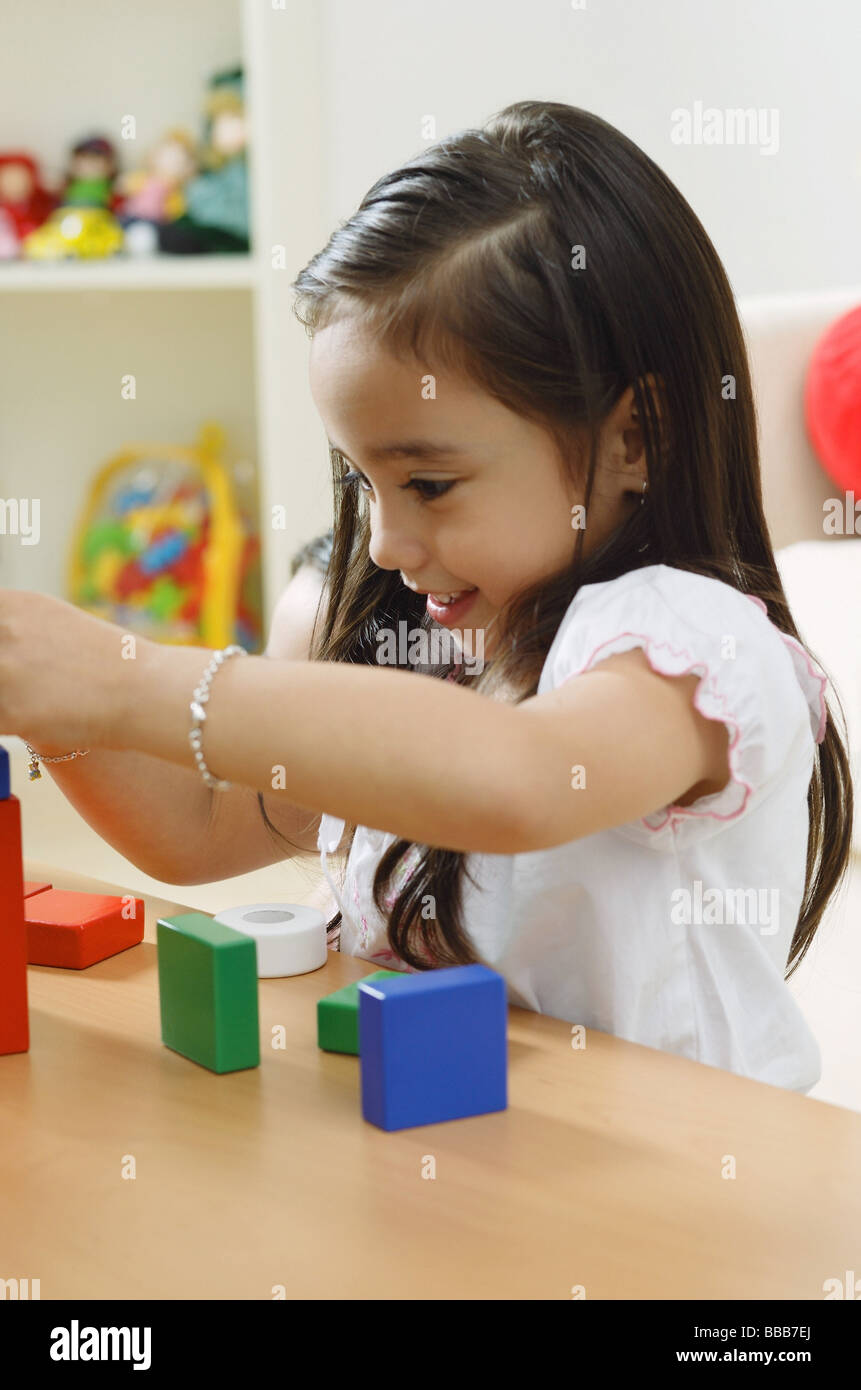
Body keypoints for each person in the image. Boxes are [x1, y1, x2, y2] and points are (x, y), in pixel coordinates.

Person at [5, 102, 852, 1093]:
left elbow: (526, 778)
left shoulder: (684, 645)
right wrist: (52, 702)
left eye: (430, 484)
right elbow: (196, 827)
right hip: (462, 1173)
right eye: (363, 480)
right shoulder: (432, 646)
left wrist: (129, 679)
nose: (385, 541)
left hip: (677, 1201)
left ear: (635, 439)